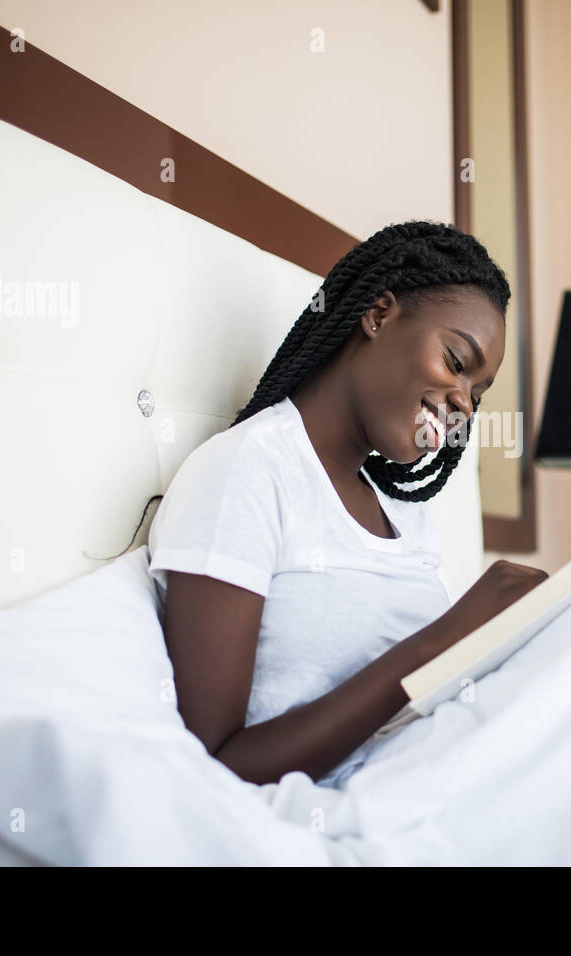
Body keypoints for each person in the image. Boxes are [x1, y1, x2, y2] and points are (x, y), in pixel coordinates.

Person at [138, 220, 549, 788]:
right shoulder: (245, 474)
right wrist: (447, 637)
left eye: (477, 394)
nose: (463, 405)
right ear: (378, 314)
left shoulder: (404, 514)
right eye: (457, 363)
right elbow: (214, 764)